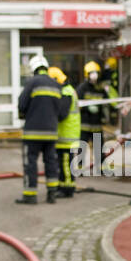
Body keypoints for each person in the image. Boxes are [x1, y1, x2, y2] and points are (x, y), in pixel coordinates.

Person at [15, 54, 68, 204]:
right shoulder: (56, 85)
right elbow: (62, 111)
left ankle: (30, 195)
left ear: (33, 69)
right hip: (51, 132)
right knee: (51, 162)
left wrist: (25, 115)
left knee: (30, 162)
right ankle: (52, 193)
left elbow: (22, 104)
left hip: (32, 132)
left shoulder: (32, 82)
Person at [76, 60, 116, 164]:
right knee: (82, 146)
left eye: (96, 73)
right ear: (87, 74)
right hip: (84, 124)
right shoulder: (82, 88)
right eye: (92, 73)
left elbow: (106, 102)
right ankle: (80, 168)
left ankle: (100, 167)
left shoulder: (100, 88)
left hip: (97, 123)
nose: (94, 75)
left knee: (98, 147)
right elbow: (77, 103)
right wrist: (87, 108)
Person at [48, 67, 79, 197]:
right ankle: (63, 185)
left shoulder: (66, 92)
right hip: (64, 135)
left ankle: (68, 188)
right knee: (62, 162)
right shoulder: (66, 90)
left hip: (67, 136)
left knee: (66, 163)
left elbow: (62, 114)